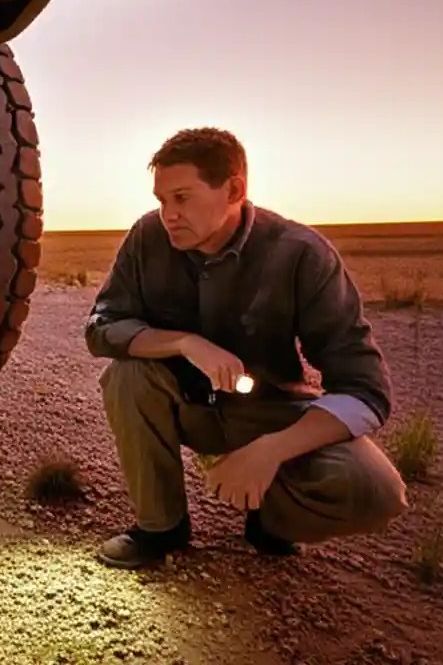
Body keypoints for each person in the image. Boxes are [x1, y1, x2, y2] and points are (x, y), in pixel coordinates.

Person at [85, 126, 408, 569]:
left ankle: (271, 519)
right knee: (126, 374)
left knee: (376, 490)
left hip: (267, 414)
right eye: (161, 201)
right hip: (184, 403)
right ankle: (160, 528)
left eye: (182, 198)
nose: (168, 215)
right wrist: (185, 343)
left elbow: (365, 390)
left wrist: (270, 451)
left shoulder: (301, 254)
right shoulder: (147, 238)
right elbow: (103, 327)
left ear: (234, 188)